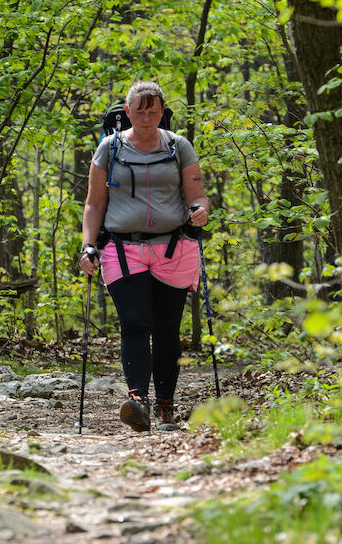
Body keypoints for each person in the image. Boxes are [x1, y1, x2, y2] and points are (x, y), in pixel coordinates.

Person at [79, 81, 208, 432]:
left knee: (167, 328)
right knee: (134, 322)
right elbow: (94, 204)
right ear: (128, 111)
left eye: (153, 111)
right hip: (122, 249)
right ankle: (138, 400)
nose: (147, 117)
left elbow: (198, 195)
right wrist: (88, 245)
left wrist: (200, 211)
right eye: (140, 111)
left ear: (163, 111)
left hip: (174, 247)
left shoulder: (179, 146)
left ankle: (165, 403)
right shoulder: (109, 148)